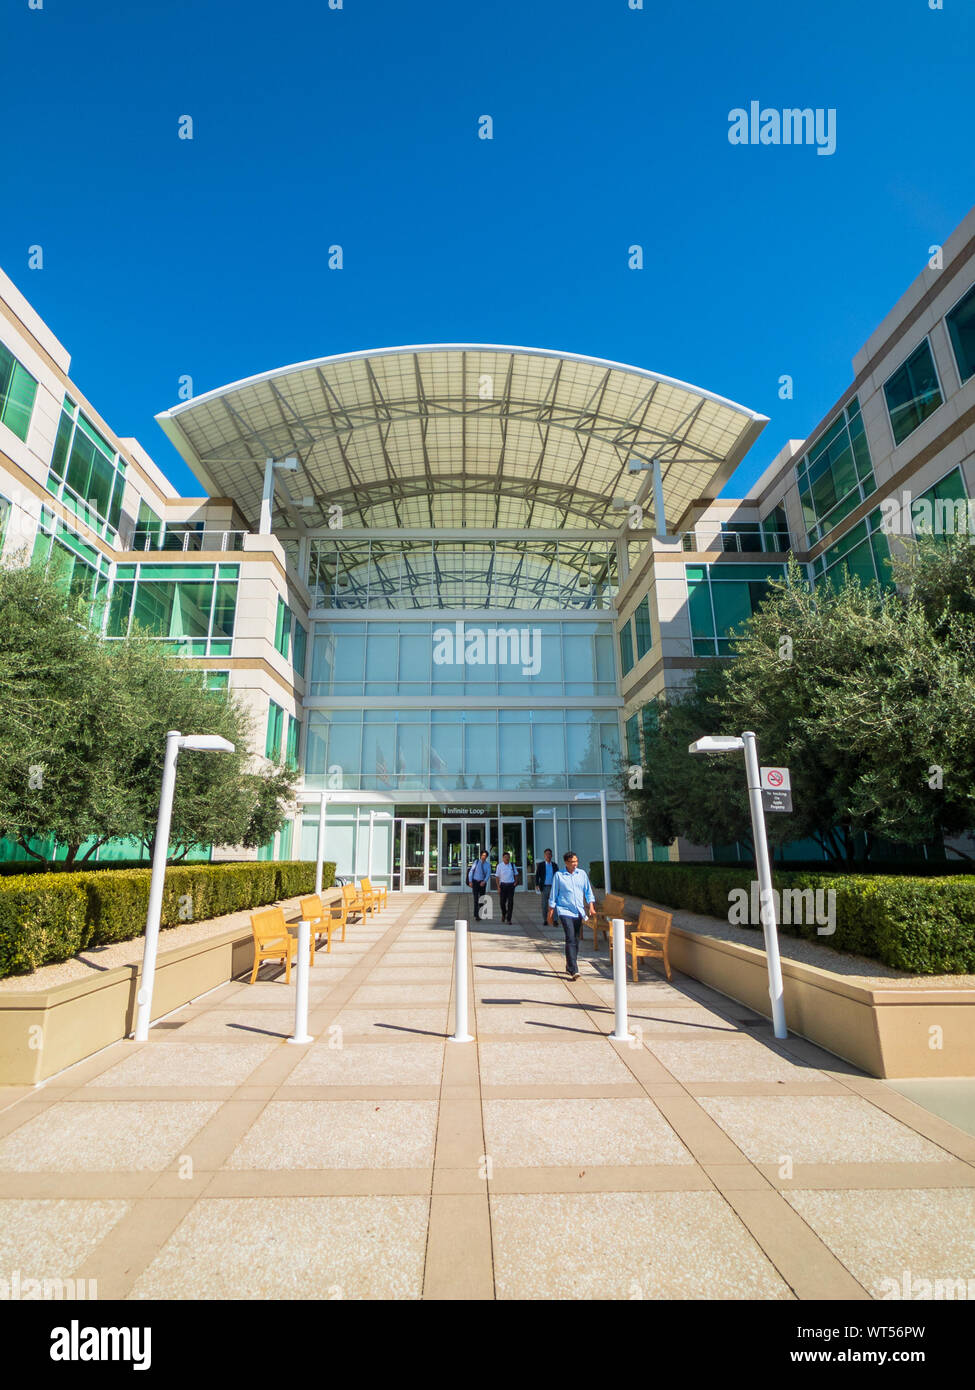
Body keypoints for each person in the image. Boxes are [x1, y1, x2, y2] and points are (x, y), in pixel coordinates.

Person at [547, 850, 596, 980]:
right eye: (572, 862)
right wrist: (550, 912)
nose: (575, 864)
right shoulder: (559, 875)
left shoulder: (582, 874)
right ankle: (574, 969)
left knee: (575, 938)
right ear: (566, 863)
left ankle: (569, 965)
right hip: (564, 910)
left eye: (576, 861)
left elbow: (588, 891)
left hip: (579, 911)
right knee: (570, 937)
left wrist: (591, 906)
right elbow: (554, 894)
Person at [467, 849, 491, 920]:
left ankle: (480, 913)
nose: (484, 857)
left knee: (481, 899)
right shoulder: (476, 862)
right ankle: (476, 915)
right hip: (475, 882)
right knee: (475, 899)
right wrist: (470, 881)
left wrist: (484, 881)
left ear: (487, 857)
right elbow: (471, 871)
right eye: (483, 855)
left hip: (482, 883)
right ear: (481, 855)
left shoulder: (488, 865)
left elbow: (488, 874)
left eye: (485, 856)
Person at [496, 851, 519, 923]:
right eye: (505, 857)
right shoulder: (499, 866)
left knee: (510, 902)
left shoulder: (512, 865)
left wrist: (515, 882)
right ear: (503, 858)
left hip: (511, 886)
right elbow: (497, 877)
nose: (507, 859)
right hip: (502, 886)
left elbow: (516, 874)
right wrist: (498, 887)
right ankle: (504, 913)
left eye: (508, 857)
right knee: (502, 902)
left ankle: (509, 919)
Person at [534, 848, 556, 925]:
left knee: (554, 904)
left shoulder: (554, 865)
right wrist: (537, 884)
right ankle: (545, 920)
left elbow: (557, 876)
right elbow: (537, 875)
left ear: (551, 855)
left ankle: (555, 920)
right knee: (544, 905)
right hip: (544, 887)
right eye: (547, 854)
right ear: (544, 855)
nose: (548, 856)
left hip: (553, 887)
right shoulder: (541, 865)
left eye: (549, 854)